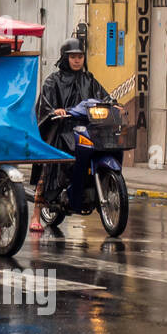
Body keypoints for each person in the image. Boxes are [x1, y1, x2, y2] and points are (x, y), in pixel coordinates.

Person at [35, 37, 109, 208]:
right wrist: (55, 111)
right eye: (73, 56)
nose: (77, 60)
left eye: (80, 56)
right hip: (62, 129)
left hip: (87, 129)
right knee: (49, 165)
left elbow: (103, 96)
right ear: (65, 57)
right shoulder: (53, 80)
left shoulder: (89, 79)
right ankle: (36, 213)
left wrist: (114, 104)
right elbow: (44, 105)